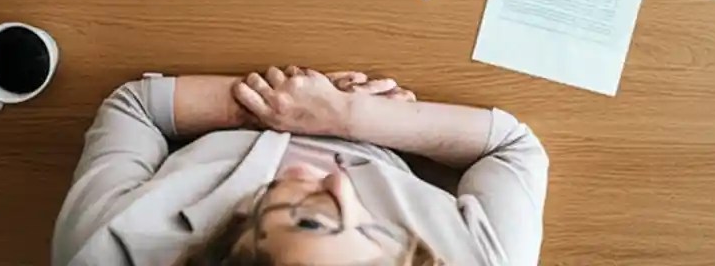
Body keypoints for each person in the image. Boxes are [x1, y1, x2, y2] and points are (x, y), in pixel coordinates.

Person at [52, 67, 548, 265]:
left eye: (308, 219)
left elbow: (135, 107)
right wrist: (351, 115)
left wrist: (275, 105)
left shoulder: (101, 247)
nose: (341, 182)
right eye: (380, 235)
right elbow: (511, 148)